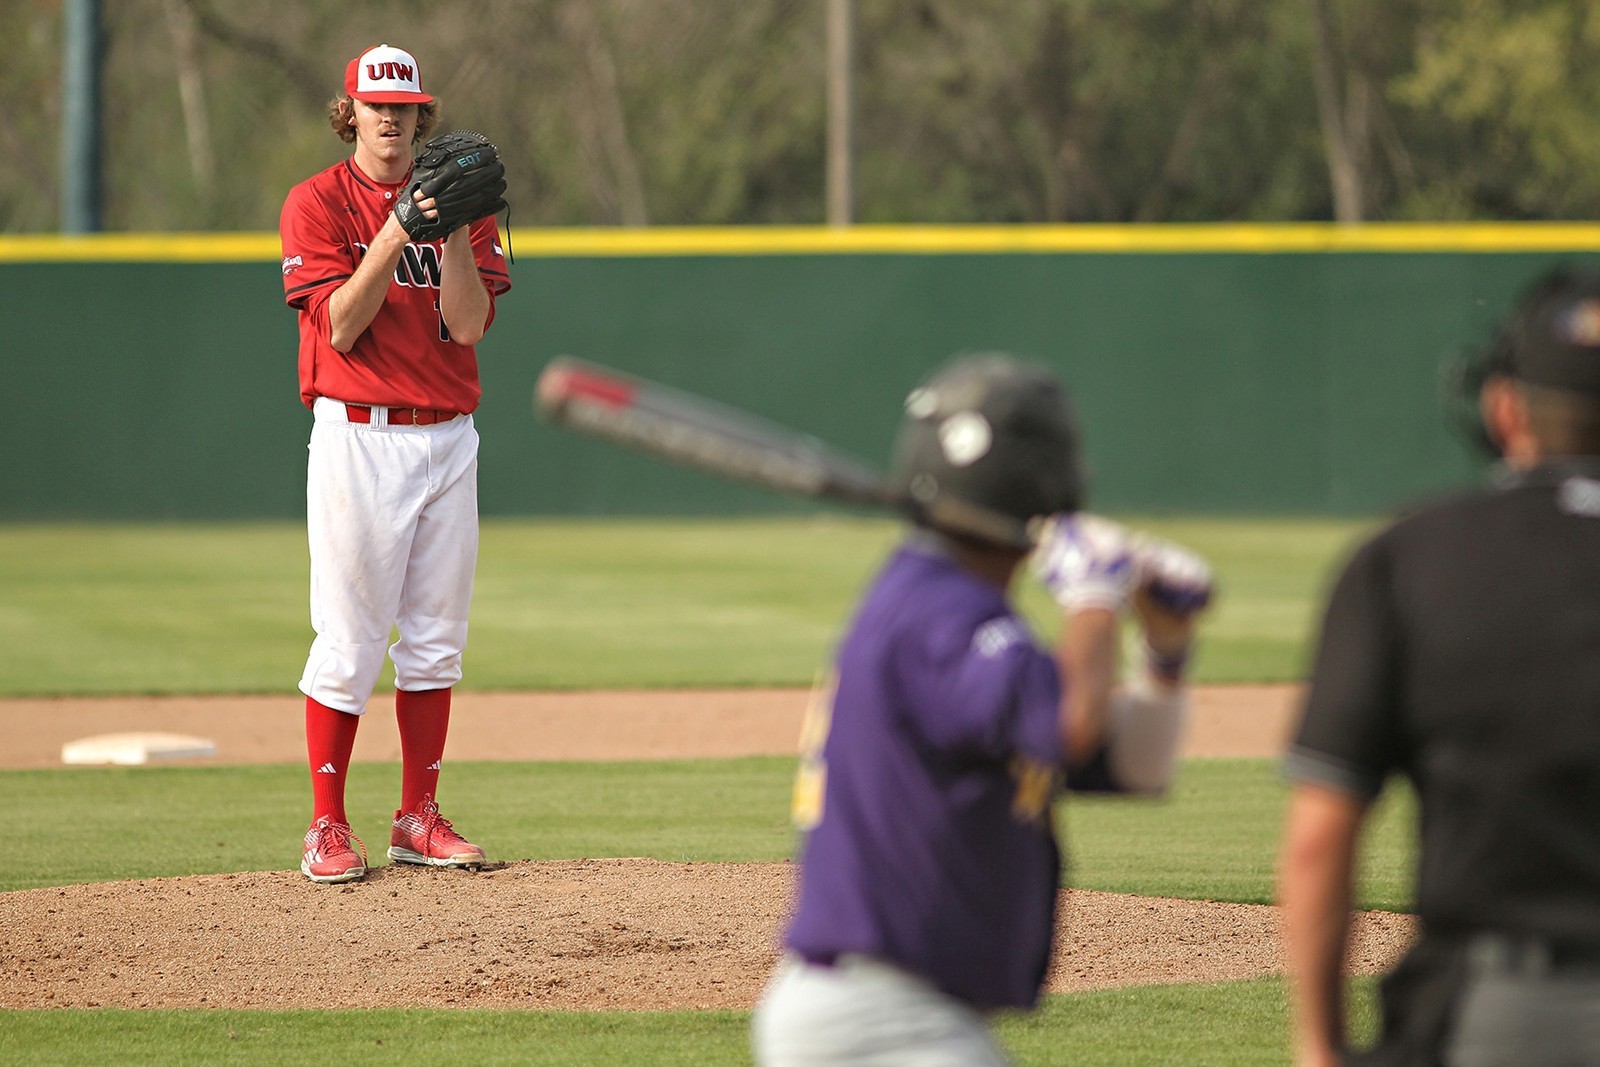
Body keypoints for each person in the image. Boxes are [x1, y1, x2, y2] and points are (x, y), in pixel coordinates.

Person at [750, 352, 1215, 1065]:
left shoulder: (947, 612)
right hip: (883, 1017)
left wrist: (1165, 649)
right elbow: (1072, 723)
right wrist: (1094, 596)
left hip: (896, 1013)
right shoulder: (939, 615)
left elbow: (1135, 767)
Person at [1279, 264, 1600, 1066]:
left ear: (1503, 409)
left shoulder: (1412, 559)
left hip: (1506, 1013)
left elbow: (1319, 836)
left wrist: (1318, 1045)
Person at [278, 43, 512, 884]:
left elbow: (469, 324)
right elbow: (339, 325)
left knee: (438, 644)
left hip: (448, 436)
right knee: (348, 641)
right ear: (351, 113)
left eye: (403, 105)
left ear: (421, 114)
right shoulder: (316, 202)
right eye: (374, 105)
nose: (389, 117)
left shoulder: (461, 206)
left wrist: (444, 227)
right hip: (361, 436)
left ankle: (418, 816)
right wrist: (394, 228)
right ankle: (326, 825)